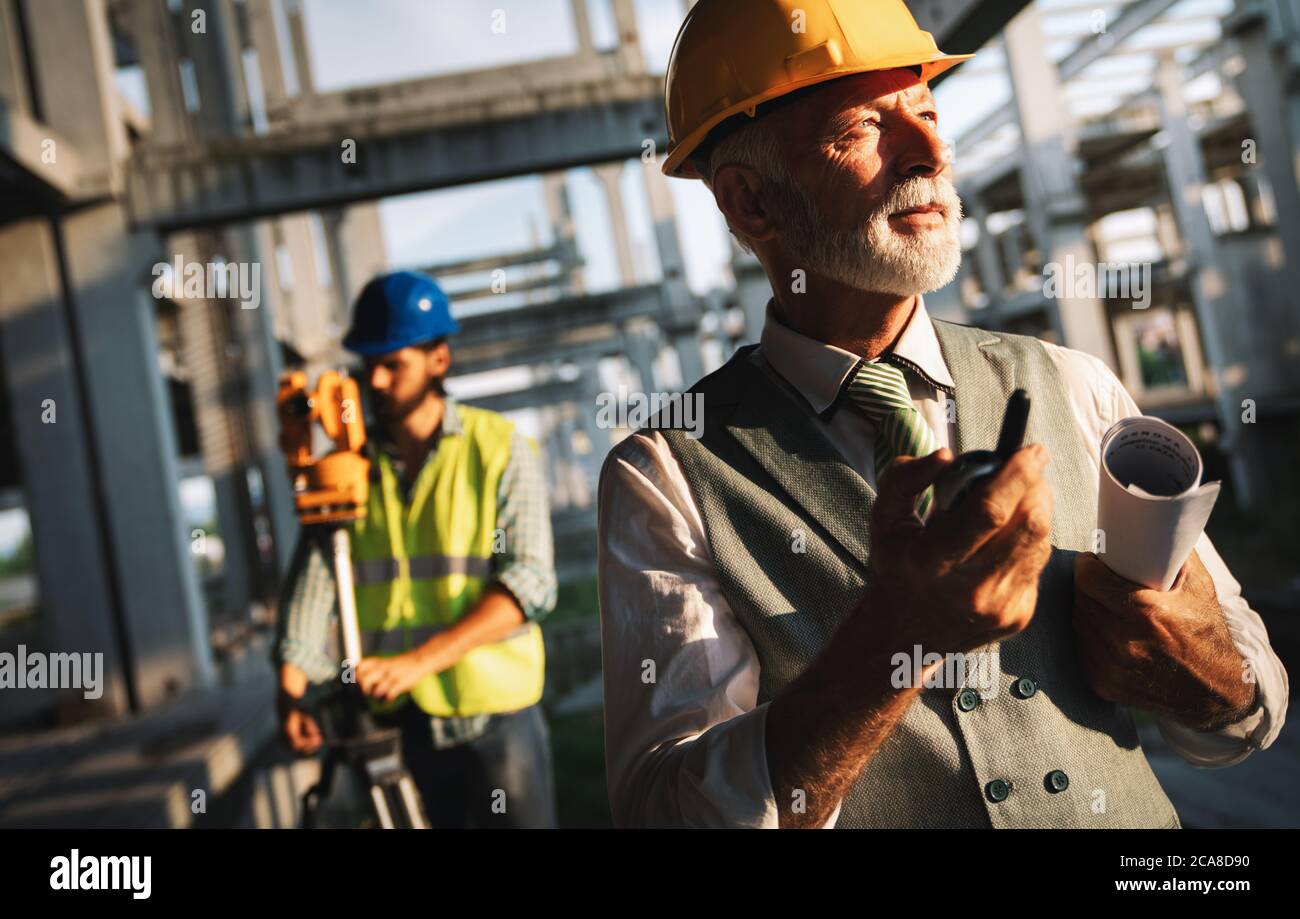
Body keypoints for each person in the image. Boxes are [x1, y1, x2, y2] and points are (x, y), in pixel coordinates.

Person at [597, 0, 1287, 828]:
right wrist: (897, 636)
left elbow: (1252, 704)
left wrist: (1205, 669)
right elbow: (668, 811)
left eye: (926, 111)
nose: (929, 152)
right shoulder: (669, 474)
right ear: (750, 203)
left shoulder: (1073, 383)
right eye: (864, 127)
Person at [274, 270, 558, 828]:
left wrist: (416, 664)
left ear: (439, 360)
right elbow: (316, 578)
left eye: (393, 363)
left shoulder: (497, 447)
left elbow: (530, 581)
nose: (376, 380)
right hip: (399, 727)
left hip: (495, 719)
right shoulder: (347, 468)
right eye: (368, 364)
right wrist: (290, 691)